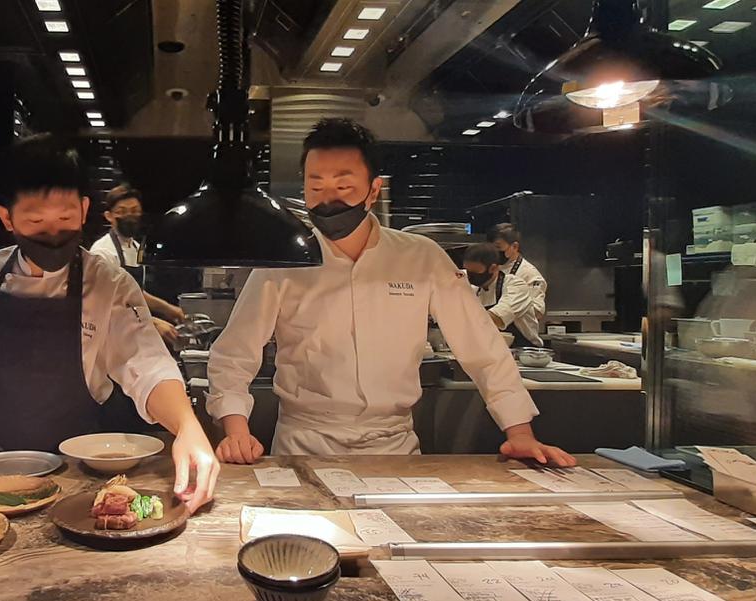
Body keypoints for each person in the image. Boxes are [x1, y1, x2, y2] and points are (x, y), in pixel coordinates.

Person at [206, 118, 573, 466]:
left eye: (343, 186)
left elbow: (482, 347)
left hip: (393, 444)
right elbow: (234, 355)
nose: (328, 198)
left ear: (373, 189)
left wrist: (520, 432)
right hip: (304, 441)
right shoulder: (281, 262)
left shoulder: (421, 256)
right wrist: (236, 431)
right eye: (315, 186)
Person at [0, 134, 218, 511]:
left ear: (83, 211)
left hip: (80, 473)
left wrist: (187, 426)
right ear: (7, 218)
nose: (52, 234)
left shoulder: (108, 282)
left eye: (65, 218)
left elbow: (146, 363)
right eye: (35, 221)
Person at [89, 184, 186, 347]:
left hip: (133, 332)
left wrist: (169, 309)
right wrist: (152, 322)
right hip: (110, 336)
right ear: (109, 216)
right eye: (122, 211)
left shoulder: (135, 247)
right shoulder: (102, 252)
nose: (129, 216)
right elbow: (105, 303)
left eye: (134, 211)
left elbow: (135, 294)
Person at [463, 243, 545, 348]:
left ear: (493, 268)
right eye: (468, 272)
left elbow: (495, 318)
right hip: (494, 352)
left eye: (475, 272)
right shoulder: (475, 290)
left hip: (525, 354)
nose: (470, 276)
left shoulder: (516, 286)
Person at [489, 224, 547, 332]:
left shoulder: (529, 273)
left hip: (521, 339)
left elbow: (537, 311)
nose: (494, 253)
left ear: (514, 246)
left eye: (498, 247)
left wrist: (508, 311)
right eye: (491, 248)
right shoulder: (491, 268)